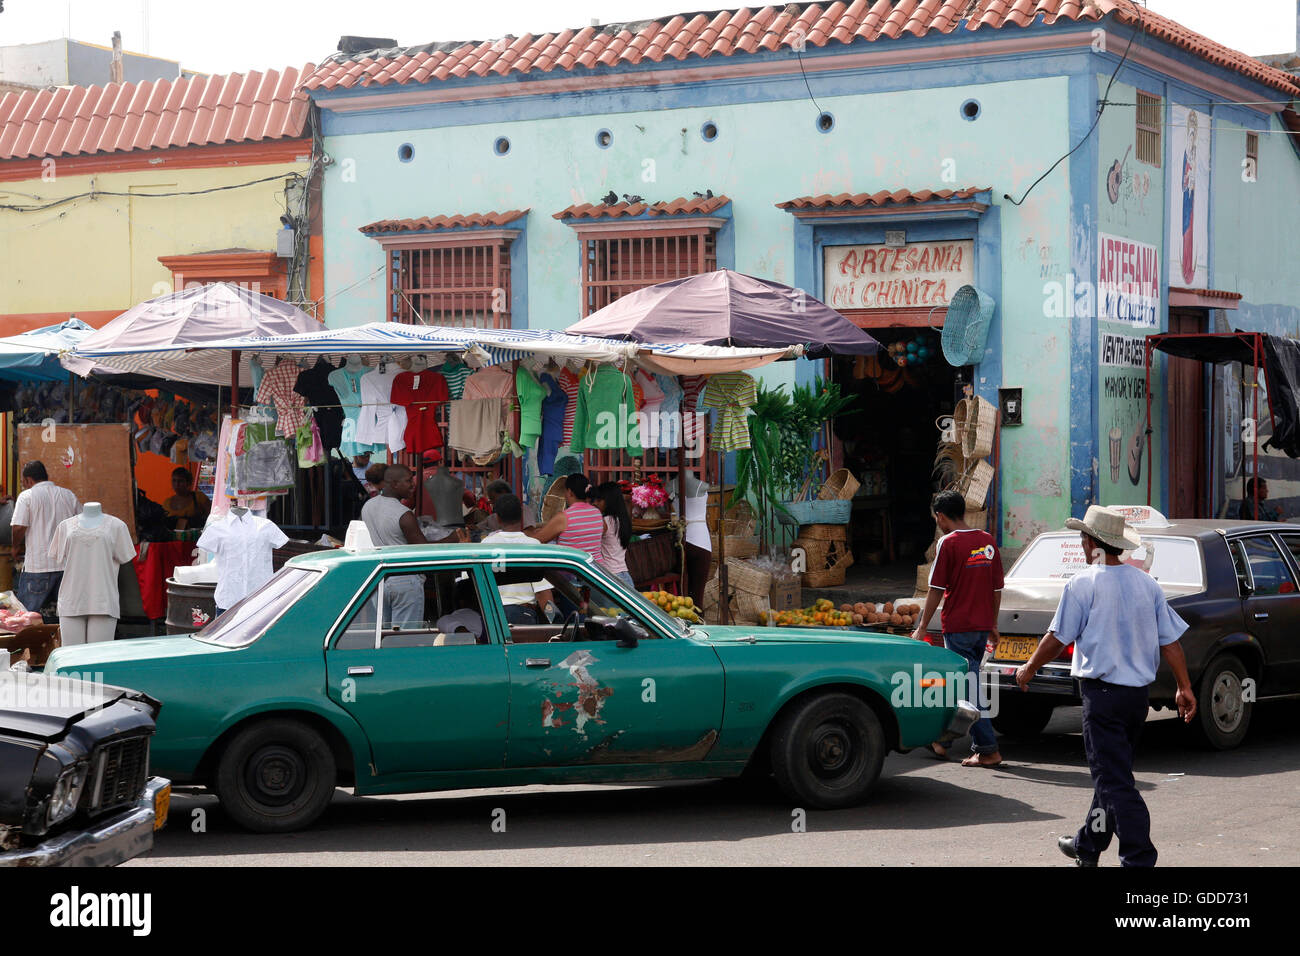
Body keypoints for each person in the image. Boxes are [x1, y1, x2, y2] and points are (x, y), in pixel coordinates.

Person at [1016, 505, 1196, 867]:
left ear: (1090, 543)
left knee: (1114, 782)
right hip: (1135, 700)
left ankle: (1139, 858)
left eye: (1083, 539)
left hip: (1102, 698)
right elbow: (1171, 643)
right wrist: (1183, 687)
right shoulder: (1146, 583)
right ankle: (1087, 844)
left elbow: (1057, 637)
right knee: (1112, 774)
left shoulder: (1083, 583)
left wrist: (1029, 667)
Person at [911, 489, 1004, 767]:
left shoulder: (948, 543)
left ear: (941, 516)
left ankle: (988, 749)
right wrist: (993, 623)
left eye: (936, 518)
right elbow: (997, 588)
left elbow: (936, 589)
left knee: (968, 688)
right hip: (979, 627)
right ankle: (943, 739)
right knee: (962, 684)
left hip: (959, 627)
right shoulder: (987, 541)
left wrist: (921, 626)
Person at [10, 461, 80, 616]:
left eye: (24, 482)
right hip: (66, 567)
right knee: (67, 617)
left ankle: (28, 641)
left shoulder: (26, 496)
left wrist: (15, 547)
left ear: (28, 480)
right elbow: (80, 526)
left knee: (26, 619)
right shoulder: (68, 495)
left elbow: (19, 527)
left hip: (37, 568)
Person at [483, 494, 555, 625]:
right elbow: (542, 593)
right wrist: (555, 624)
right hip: (524, 616)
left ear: (497, 518)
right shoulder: (533, 545)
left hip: (493, 618)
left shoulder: (486, 545)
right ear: (521, 516)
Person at [528, 474, 603, 562]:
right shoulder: (597, 513)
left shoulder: (564, 517)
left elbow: (536, 540)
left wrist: (525, 533)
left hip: (575, 571)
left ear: (570, 492)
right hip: (596, 569)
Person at [593, 481, 635, 588]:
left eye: (599, 500)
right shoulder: (623, 520)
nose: (595, 503)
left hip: (611, 577)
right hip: (625, 575)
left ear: (608, 501)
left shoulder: (605, 522)